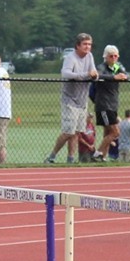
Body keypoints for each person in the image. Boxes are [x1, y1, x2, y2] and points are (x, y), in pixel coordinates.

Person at [45, 33, 97, 164]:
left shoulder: (90, 56)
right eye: (85, 44)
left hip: (82, 99)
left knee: (77, 132)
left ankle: (71, 158)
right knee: (68, 131)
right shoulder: (71, 57)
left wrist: (94, 75)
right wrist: (86, 74)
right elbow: (66, 73)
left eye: (89, 44)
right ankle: (51, 156)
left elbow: (94, 72)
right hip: (70, 99)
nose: (87, 47)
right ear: (77, 45)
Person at [92, 45, 129, 162]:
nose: (113, 58)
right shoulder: (102, 67)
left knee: (108, 132)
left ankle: (103, 156)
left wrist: (124, 76)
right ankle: (97, 153)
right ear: (106, 57)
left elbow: (126, 74)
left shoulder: (117, 66)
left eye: (115, 56)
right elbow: (98, 75)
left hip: (113, 105)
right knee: (115, 131)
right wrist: (114, 77)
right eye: (111, 56)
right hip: (104, 105)